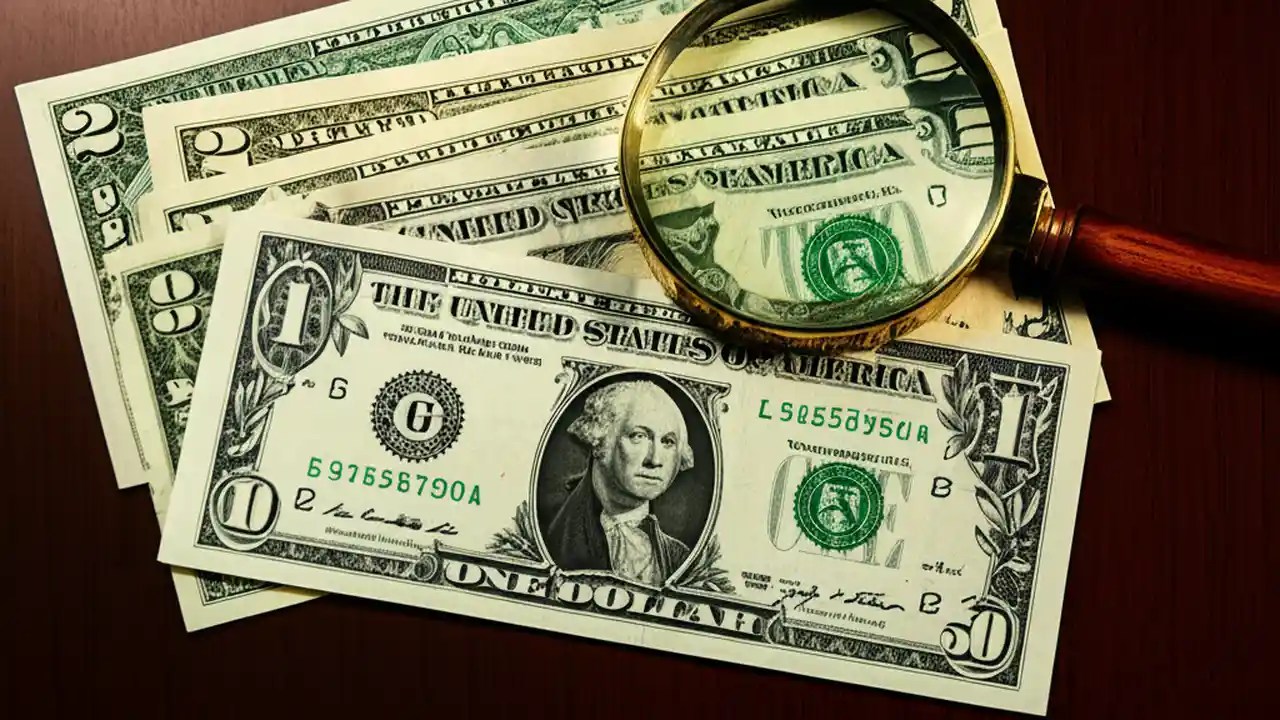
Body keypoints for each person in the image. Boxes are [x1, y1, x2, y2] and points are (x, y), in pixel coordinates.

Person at [543, 379, 695, 585]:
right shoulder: (550, 535)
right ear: (600, 441)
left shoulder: (681, 558)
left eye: (668, 442)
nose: (654, 460)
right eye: (638, 436)